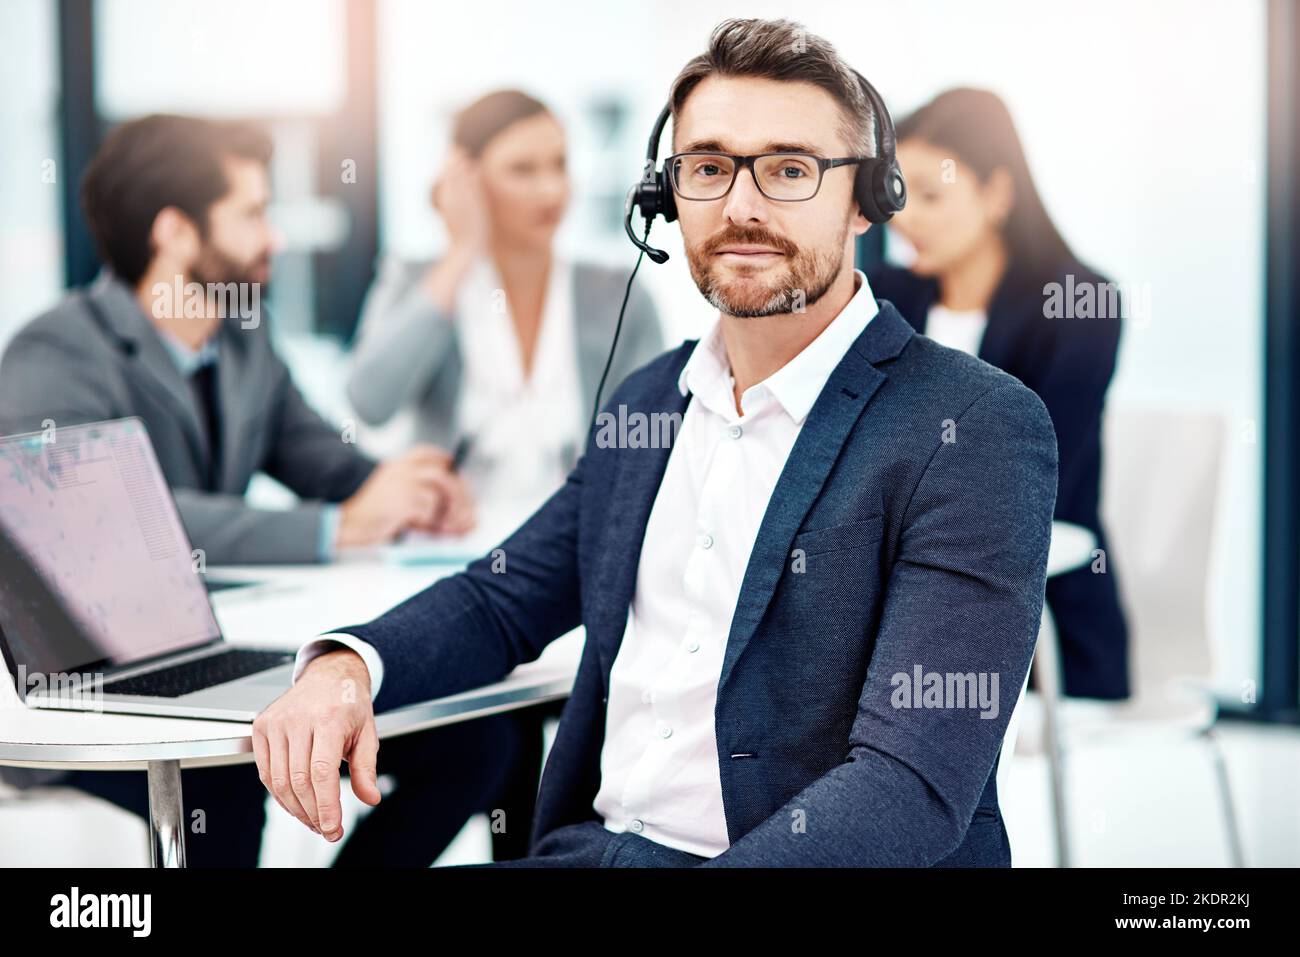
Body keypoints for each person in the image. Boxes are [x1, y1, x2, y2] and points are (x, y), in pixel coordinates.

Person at [254, 18, 1059, 867]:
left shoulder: (974, 427)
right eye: (708, 169)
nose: (741, 207)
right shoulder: (649, 403)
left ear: (867, 199)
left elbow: (908, 788)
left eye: (789, 170)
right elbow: (500, 598)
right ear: (666, 197)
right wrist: (347, 666)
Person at [0, 114, 520, 866]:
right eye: (252, 213)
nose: (275, 237)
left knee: (479, 741)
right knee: (227, 785)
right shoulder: (55, 351)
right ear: (175, 232)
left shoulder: (242, 335)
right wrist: (334, 527)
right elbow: (104, 534)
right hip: (90, 687)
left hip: (213, 651)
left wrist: (401, 489)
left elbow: (318, 457)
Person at [869, 88, 1129, 700]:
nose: (909, 217)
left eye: (933, 195)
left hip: (1042, 619)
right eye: (903, 194)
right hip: (894, 614)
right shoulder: (882, 296)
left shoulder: (1080, 305)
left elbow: (1035, 473)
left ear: (998, 194)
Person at [346, 89, 665, 540]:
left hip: (576, 549)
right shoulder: (421, 278)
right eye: (523, 169)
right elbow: (370, 401)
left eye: (559, 165)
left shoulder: (619, 295)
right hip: (444, 550)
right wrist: (460, 253)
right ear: (467, 179)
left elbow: (650, 442)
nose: (551, 189)